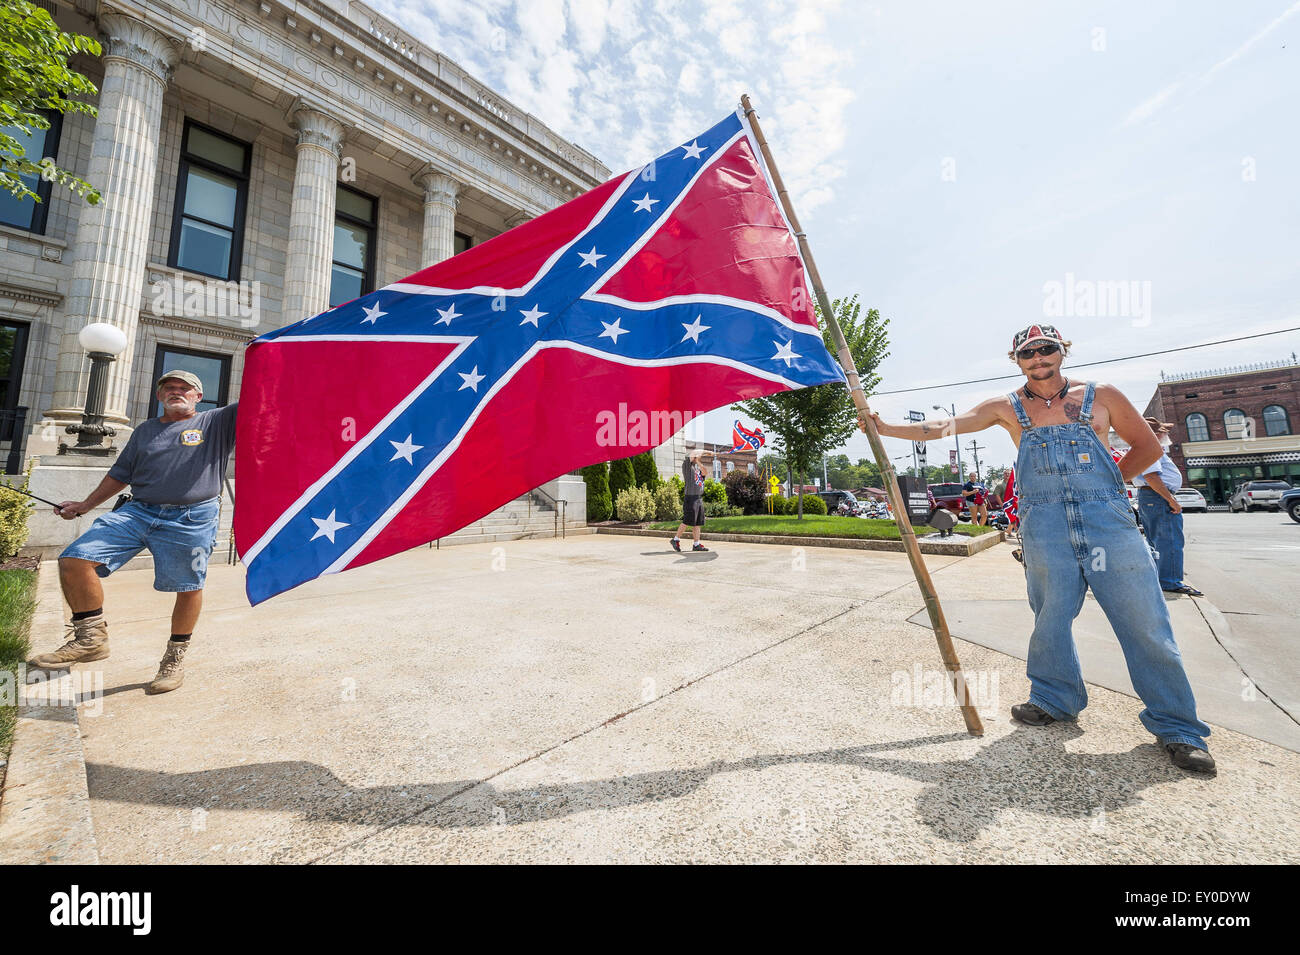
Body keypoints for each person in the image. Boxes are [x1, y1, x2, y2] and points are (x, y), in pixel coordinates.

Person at [861, 323, 1215, 775]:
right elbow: (943, 426)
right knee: (1049, 617)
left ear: (1062, 352)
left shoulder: (1101, 395)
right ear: (1017, 360)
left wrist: (1110, 482)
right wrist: (887, 427)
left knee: (1145, 621)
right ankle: (1054, 699)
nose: (1038, 358)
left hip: (1109, 522)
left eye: (1046, 349)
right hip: (1044, 524)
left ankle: (1179, 728)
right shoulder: (1007, 407)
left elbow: (1145, 446)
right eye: (1028, 352)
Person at [30, 371, 238, 694]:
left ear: (199, 396)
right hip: (138, 511)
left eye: (185, 388)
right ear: (159, 396)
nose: (176, 392)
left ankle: (174, 658)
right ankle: (91, 637)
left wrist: (264, 355)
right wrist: (84, 505)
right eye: (169, 387)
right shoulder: (144, 432)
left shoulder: (217, 422)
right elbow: (119, 475)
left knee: (188, 585)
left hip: (192, 518)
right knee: (74, 559)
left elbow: (262, 398)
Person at [1133, 416, 1203, 597]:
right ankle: (1169, 581)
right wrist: (1171, 499)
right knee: (1169, 540)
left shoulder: (1143, 448)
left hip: (1150, 496)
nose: (1165, 435)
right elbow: (1152, 477)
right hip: (1156, 497)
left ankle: (1162, 577)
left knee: (1156, 540)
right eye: (1162, 432)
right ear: (1154, 433)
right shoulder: (1149, 447)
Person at [671, 449, 712, 552]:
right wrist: (707, 451)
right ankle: (675, 539)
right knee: (687, 520)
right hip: (690, 497)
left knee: (697, 523)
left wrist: (700, 460)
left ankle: (696, 544)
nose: (698, 457)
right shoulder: (687, 466)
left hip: (698, 498)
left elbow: (705, 472)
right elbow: (694, 452)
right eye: (696, 456)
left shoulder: (698, 470)